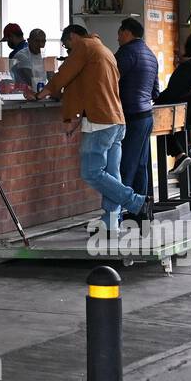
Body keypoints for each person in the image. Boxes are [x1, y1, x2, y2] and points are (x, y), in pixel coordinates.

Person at [37, 24, 149, 230]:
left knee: (91, 172)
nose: (69, 52)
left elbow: (63, 75)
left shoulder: (84, 47)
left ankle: (136, 202)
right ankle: (111, 222)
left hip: (100, 121)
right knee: (112, 173)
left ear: (73, 37)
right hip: (117, 119)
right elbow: (87, 86)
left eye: (67, 46)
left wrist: (41, 93)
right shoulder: (104, 50)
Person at [114, 17, 160, 199]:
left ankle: (121, 211)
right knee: (141, 165)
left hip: (131, 115)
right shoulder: (150, 55)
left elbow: (110, 80)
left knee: (126, 165)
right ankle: (141, 209)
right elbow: (156, 92)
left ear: (127, 32)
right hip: (146, 116)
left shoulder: (126, 53)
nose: (117, 38)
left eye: (119, 34)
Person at [155, 34, 191, 175]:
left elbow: (172, 92)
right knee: (175, 115)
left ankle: (180, 154)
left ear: (189, 47)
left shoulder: (187, 67)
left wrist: (156, 100)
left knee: (162, 120)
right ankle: (188, 148)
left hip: (189, 113)